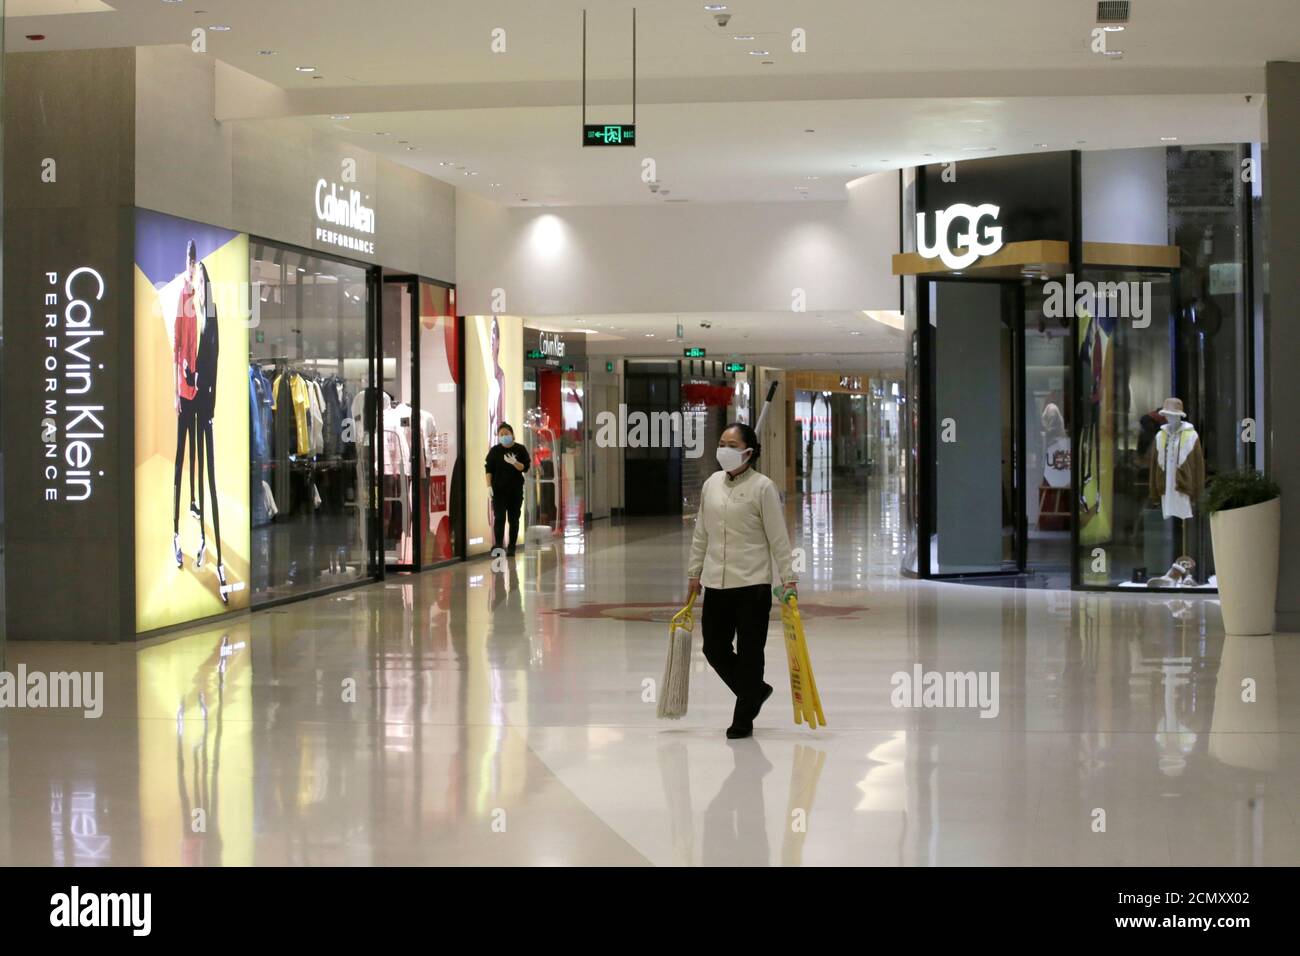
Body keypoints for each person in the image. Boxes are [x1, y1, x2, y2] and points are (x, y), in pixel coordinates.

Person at [688, 423, 797, 739]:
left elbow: (778, 538)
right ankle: (755, 692)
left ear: (749, 451)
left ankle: (743, 718)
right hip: (717, 583)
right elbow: (701, 533)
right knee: (714, 649)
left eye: (732, 444)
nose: (724, 448)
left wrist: (789, 578)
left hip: (752, 584)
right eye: (722, 442)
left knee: (751, 652)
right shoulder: (711, 485)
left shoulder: (763, 488)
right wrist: (694, 573)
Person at [192, 261, 229, 601]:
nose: (199, 288)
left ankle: (216, 555)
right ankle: (201, 542)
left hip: (205, 406)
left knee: (211, 479)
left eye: (203, 281)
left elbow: (213, 362)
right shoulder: (195, 314)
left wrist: (212, 406)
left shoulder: (211, 316)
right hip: (188, 401)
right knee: (195, 476)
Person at [172, 240, 200, 569]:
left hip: (197, 387)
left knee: (195, 452)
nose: (192, 268)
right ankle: (174, 530)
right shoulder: (182, 294)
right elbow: (177, 346)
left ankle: (194, 501)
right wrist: (174, 391)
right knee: (181, 456)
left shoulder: (200, 296)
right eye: (190, 262)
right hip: (183, 389)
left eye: (194, 263)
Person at [484, 423, 531, 556]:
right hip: (498, 491)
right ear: (498, 437)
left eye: (507, 434)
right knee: (499, 518)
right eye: (501, 434)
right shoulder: (494, 451)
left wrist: (514, 462)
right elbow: (488, 469)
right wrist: (489, 486)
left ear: (512, 435)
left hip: (515, 491)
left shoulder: (520, 449)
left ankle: (512, 546)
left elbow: (525, 467)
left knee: (514, 519)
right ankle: (498, 546)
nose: (504, 436)